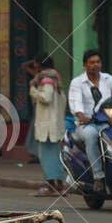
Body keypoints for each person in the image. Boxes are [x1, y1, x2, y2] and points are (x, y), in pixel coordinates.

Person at [69, 49, 112, 180]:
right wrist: (81, 115)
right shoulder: (77, 83)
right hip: (87, 125)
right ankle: (98, 176)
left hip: (107, 122)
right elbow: (76, 103)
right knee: (91, 135)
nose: (95, 65)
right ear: (85, 65)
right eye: (91, 62)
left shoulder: (108, 79)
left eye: (98, 62)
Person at [28, 53, 66, 196]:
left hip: (47, 126)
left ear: (40, 65)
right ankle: (59, 186)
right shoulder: (55, 78)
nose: (34, 67)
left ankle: (53, 187)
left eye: (36, 64)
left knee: (47, 157)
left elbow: (46, 97)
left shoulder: (46, 80)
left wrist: (33, 90)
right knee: (55, 155)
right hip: (53, 124)